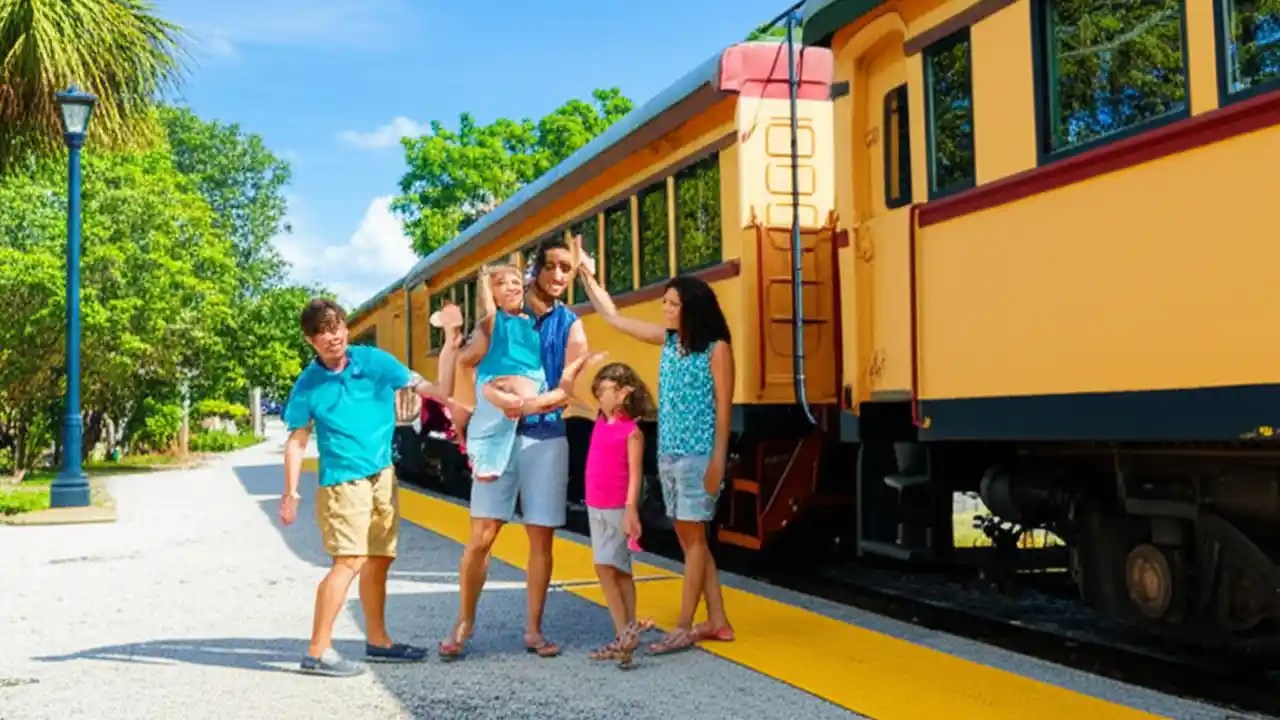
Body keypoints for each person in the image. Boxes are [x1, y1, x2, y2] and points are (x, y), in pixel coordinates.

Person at [280, 297, 461, 677]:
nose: (332, 337)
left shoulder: (374, 361)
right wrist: (290, 491)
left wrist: (449, 343)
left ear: (346, 328)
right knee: (349, 562)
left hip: (382, 474)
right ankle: (317, 652)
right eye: (322, 333)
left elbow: (431, 387)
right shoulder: (308, 384)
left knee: (379, 558)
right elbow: (297, 439)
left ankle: (378, 641)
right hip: (343, 481)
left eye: (336, 328)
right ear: (311, 340)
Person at [575, 241, 736, 655]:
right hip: (670, 454)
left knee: (694, 539)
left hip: (698, 456)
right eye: (665, 302)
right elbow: (613, 318)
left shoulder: (717, 350)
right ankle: (717, 620)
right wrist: (587, 275)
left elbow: (724, 410)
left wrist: (718, 459)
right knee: (690, 539)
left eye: (671, 304)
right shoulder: (668, 342)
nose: (665, 309)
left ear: (692, 307)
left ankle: (684, 625)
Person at [439, 236, 589, 660]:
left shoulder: (571, 326)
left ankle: (534, 630)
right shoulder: (497, 320)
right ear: (534, 272)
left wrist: (519, 404)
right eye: (551, 267)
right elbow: (465, 369)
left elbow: (565, 391)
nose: (559, 276)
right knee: (481, 536)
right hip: (494, 438)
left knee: (541, 536)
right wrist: (468, 418)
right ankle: (463, 622)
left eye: (567, 269)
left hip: (545, 437)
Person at [465, 264, 596, 481]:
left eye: (515, 282)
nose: (510, 287)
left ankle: (513, 411)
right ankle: (485, 455)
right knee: (493, 402)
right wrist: (485, 278)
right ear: (493, 296)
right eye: (501, 284)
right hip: (499, 378)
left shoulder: (532, 321)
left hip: (533, 377)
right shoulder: (494, 320)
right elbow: (487, 309)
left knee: (534, 402)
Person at [578, 362, 657, 668]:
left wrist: (630, 509)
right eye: (597, 390)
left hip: (614, 507)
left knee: (614, 568)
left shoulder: (632, 432)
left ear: (624, 392)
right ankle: (625, 633)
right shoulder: (600, 419)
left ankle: (624, 634)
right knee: (608, 567)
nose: (599, 395)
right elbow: (570, 395)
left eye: (606, 389)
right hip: (595, 505)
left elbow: (635, 475)